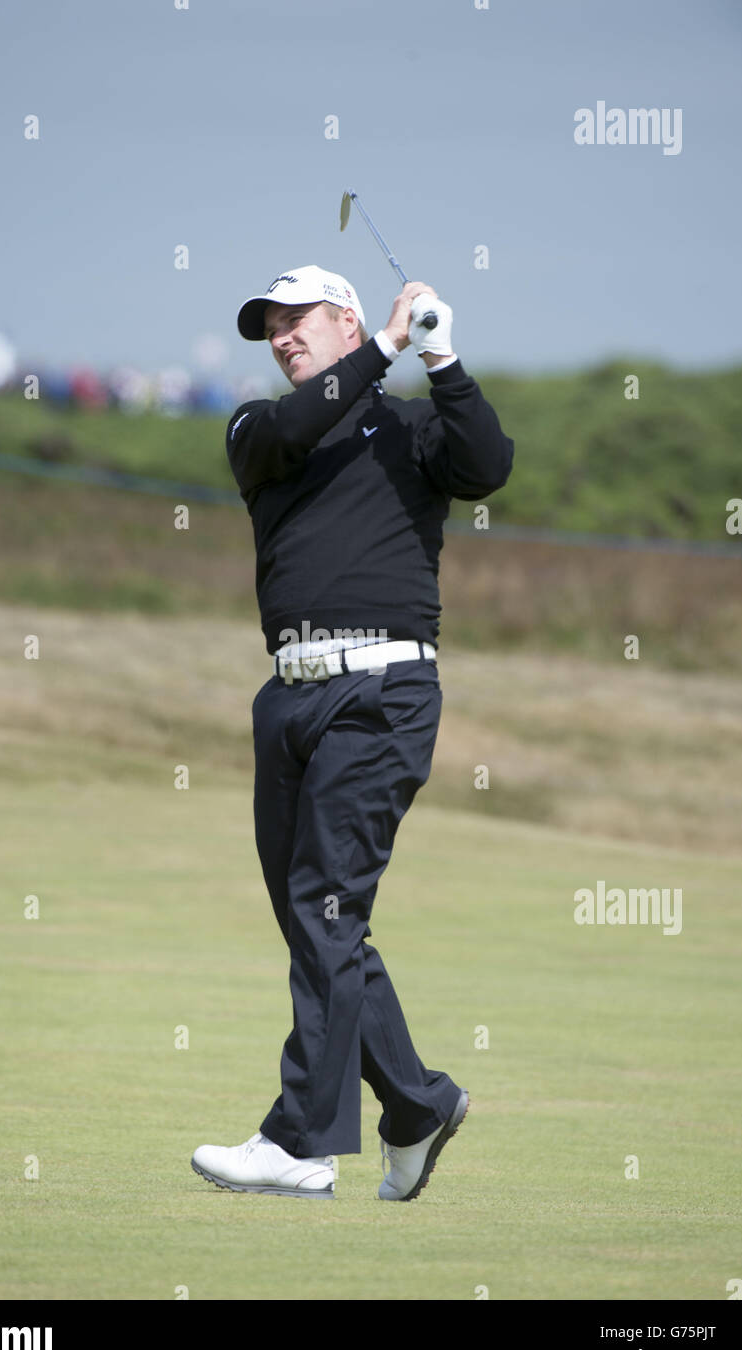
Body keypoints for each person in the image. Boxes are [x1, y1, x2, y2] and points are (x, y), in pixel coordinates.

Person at [191, 264, 514, 1201]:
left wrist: (441, 354)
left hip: (381, 692)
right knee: (318, 919)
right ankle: (416, 1107)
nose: (282, 337)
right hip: (286, 700)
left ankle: (299, 1141)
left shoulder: (414, 429)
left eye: (298, 321)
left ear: (339, 320)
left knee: (325, 906)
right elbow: (304, 423)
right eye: (271, 327)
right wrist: (384, 346)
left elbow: (487, 465)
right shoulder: (258, 428)